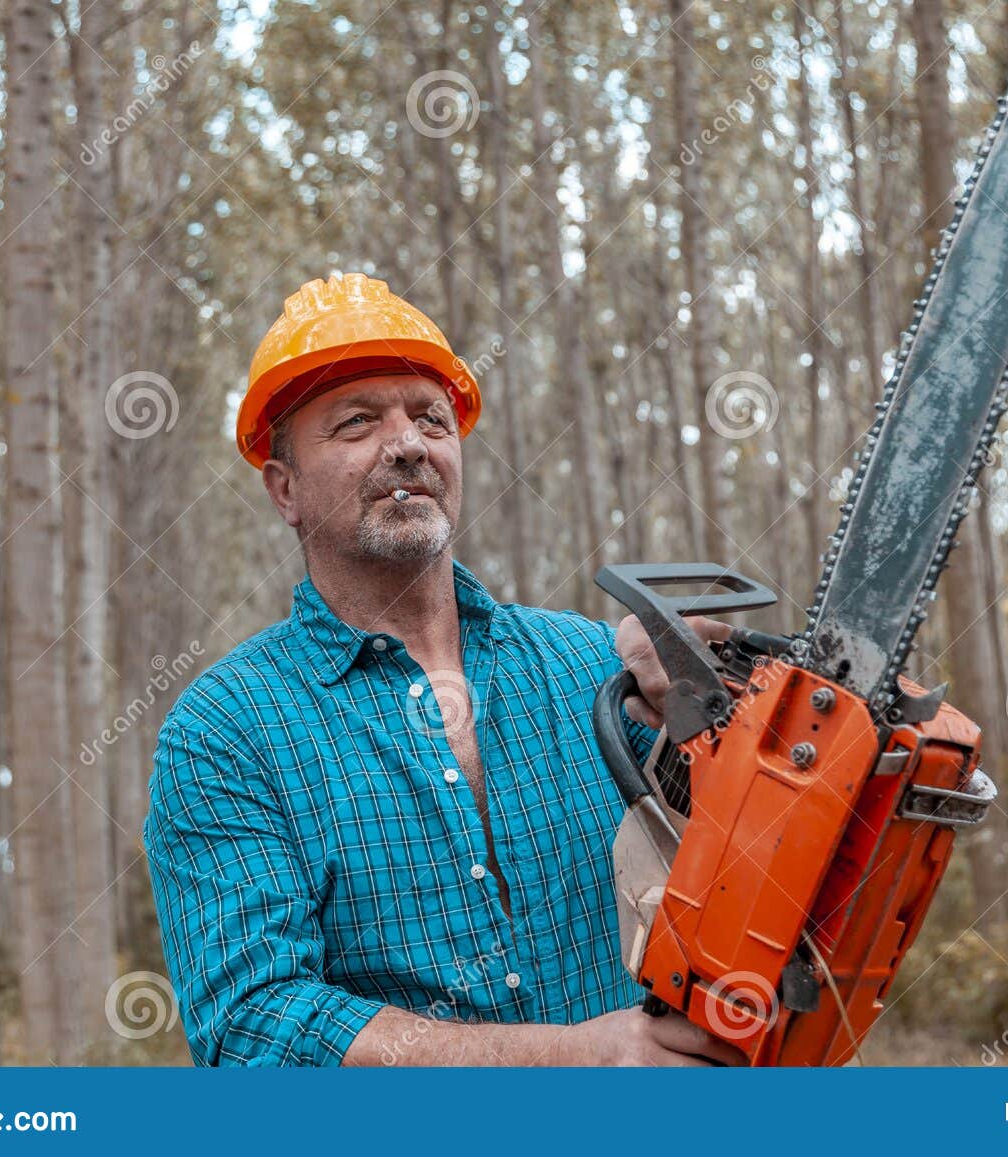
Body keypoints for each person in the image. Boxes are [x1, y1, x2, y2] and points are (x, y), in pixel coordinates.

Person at [145, 273, 741, 1066]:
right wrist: (573, 1061)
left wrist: (720, 736)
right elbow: (256, 1029)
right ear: (284, 489)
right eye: (357, 422)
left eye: (431, 418)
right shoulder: (226, 730)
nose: (408, 443)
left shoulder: (596, 669)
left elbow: (739, 892)